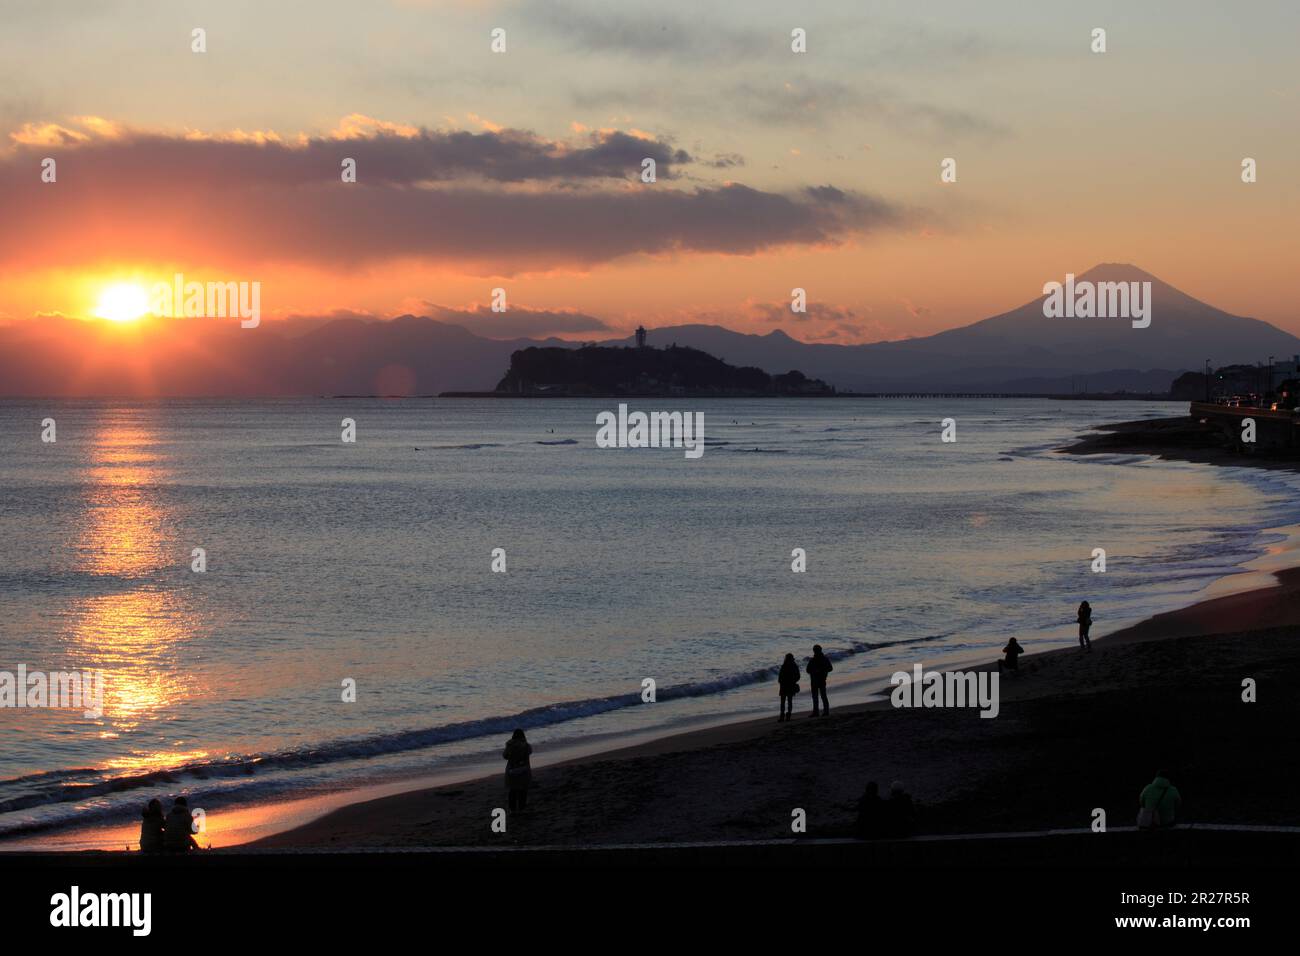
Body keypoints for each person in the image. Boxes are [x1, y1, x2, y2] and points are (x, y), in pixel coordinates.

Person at [503, 728, 533, 812]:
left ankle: (513, 810)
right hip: (524, 771)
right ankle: (521, 808)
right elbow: (530, 752)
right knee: (523, 791)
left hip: (512, 771)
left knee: (512, 791)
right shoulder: (526, 745)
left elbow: (505, 756)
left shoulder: (510, 745)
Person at [806, 645, 833, 717]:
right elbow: (808, 670)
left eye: (815, 650)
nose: (815, 651)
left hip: (818, 680)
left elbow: (830, 668)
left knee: (819, 696)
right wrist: (817, 671)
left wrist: (821, 671)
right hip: (817, 680)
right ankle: (822, 712)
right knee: (820, 696)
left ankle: (820, 712)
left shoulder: (815, 660)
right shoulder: (821, 659)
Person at [777, 653, 800, 722]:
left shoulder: (784, 666)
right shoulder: (794, 666)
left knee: (783, 702)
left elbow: (780, 678)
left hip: (784, 686)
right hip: (789, 685)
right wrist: (793, 681)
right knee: (789, 701)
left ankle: (782, 716)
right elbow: (798, 676)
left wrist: (781, 682)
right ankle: (788, 716)